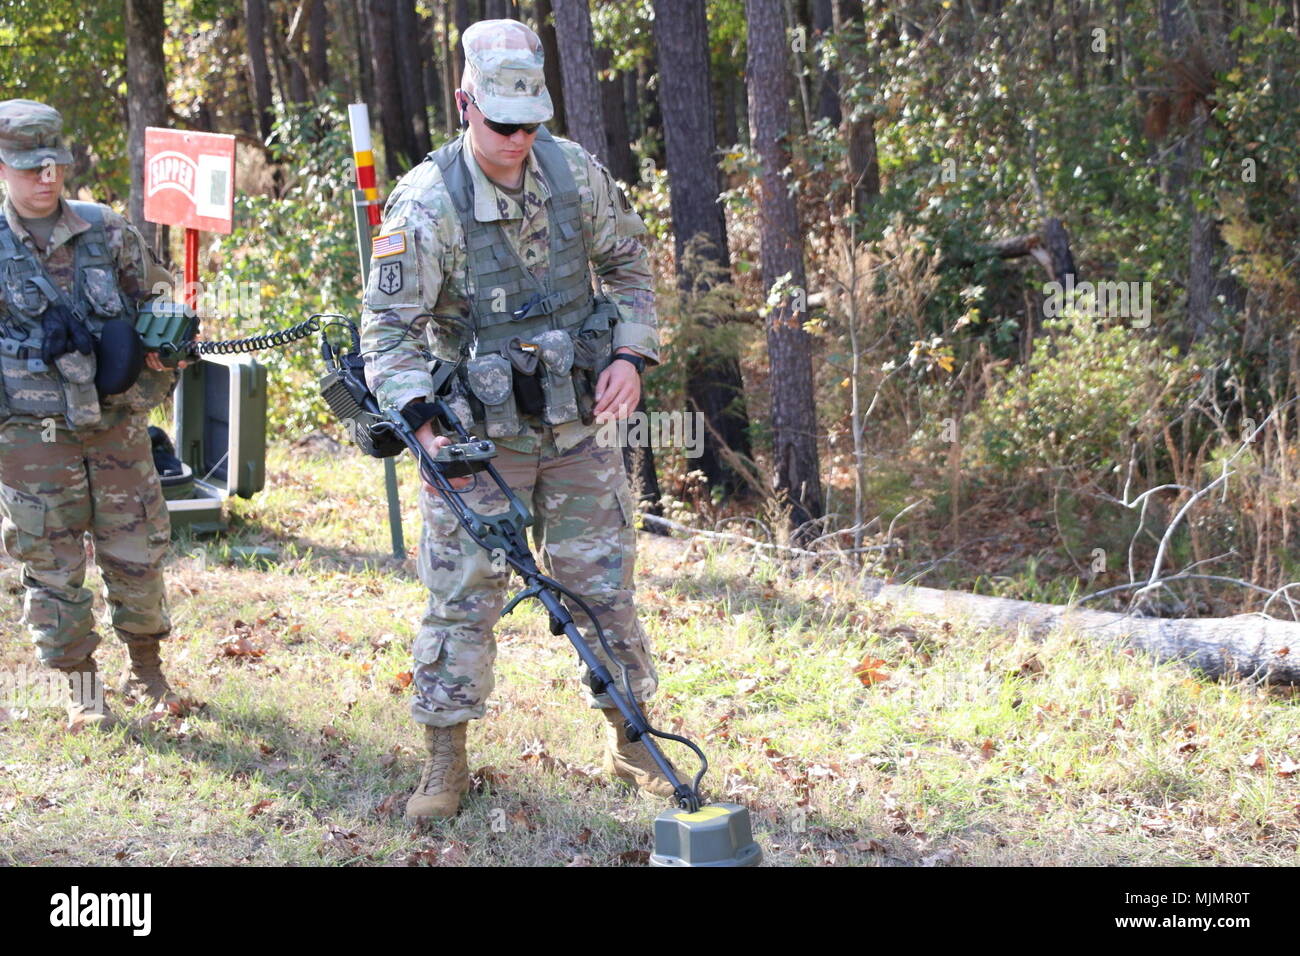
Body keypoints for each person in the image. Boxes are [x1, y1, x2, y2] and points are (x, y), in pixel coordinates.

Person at [360, 19, 679, 821]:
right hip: (473, 443)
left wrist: (630, 357)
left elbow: (632, 267)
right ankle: (445, 759)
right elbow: (387, 333)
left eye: (531, 122)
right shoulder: (427, 203)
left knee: (601, 591)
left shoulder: (574, 175)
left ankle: (632, 735)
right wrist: (424, 425)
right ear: (465, 104)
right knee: (463, 597)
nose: (517, 139)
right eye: (502, 124)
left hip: (575, 431)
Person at [0, 99, 184, 730]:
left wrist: (161, 350)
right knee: (51, 563)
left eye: (55, 163)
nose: (46, 177)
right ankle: (82, 690)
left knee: (138, 550)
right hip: (31, 439)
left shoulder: (106, 232)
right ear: (3, 167)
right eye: (30, 166)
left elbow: (162, 298)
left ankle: (148, 671)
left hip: (116, 427)